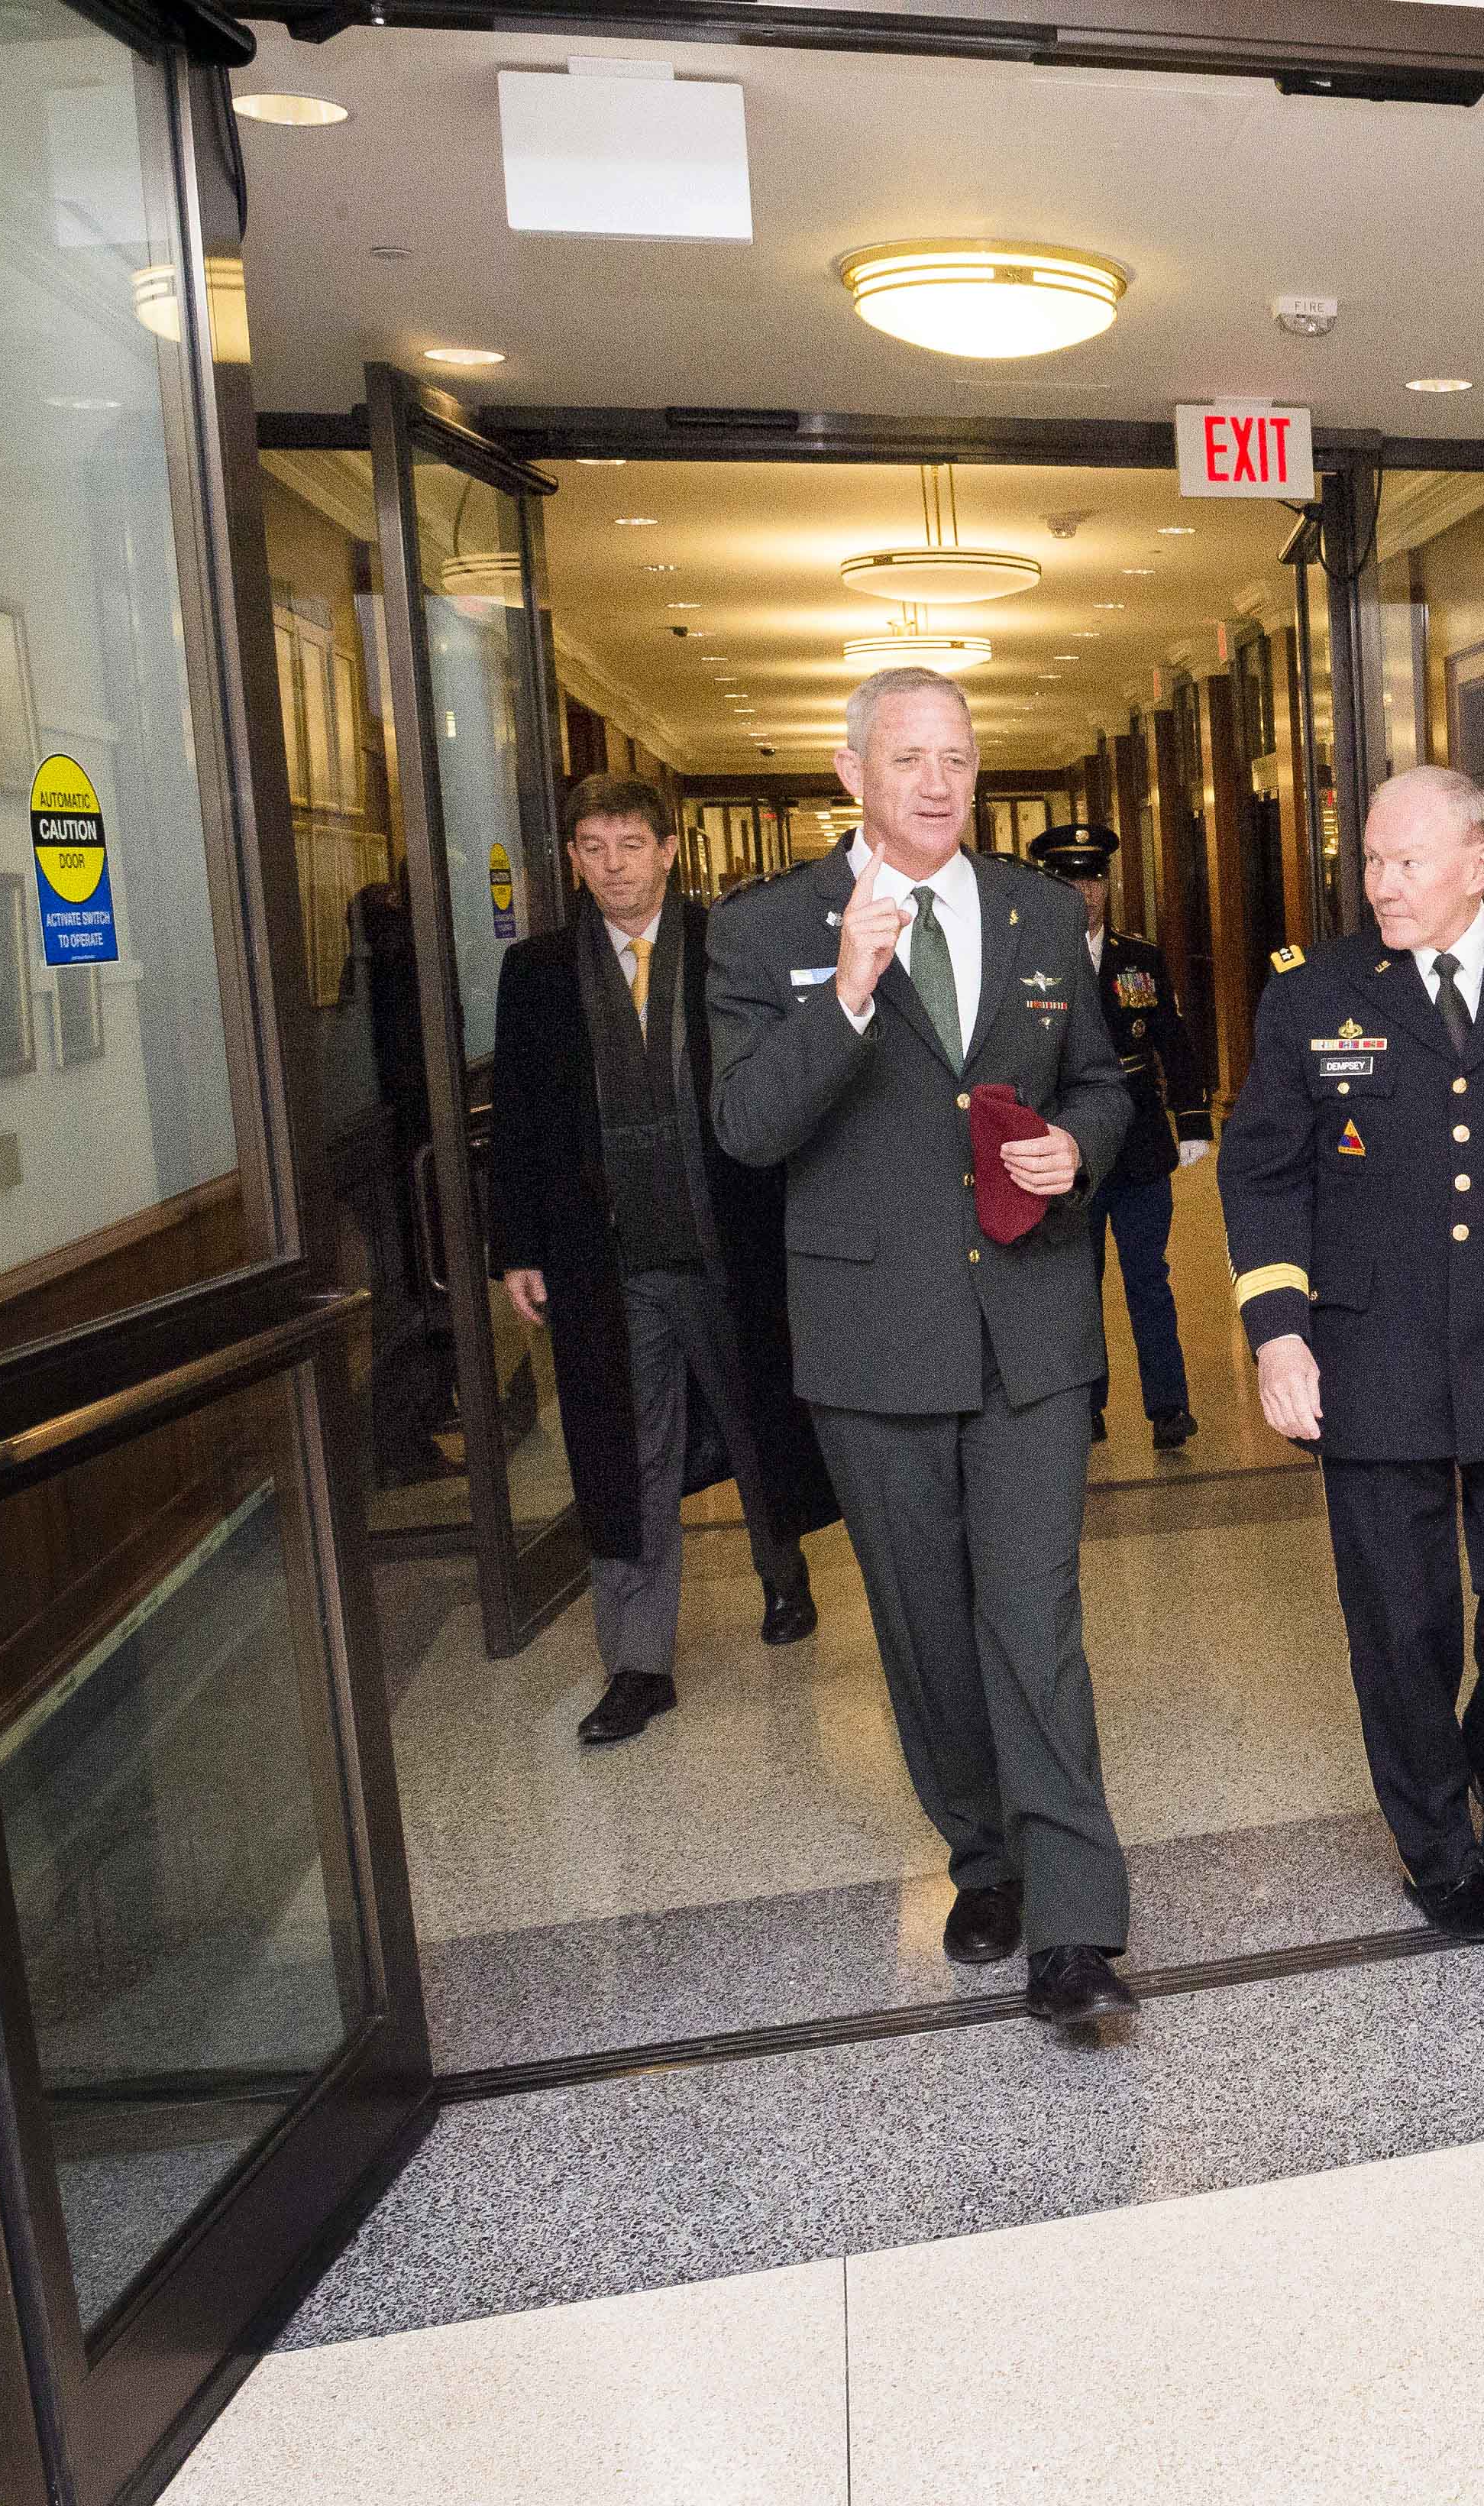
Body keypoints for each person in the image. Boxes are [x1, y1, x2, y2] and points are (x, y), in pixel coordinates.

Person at [706, 668, 1138, 2030]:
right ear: (853, 774)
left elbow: (1108, 1082)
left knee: (1034, 1621)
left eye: (957, 756)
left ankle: (1075, 1924)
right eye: (909, 759)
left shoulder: (1038, 910)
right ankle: (984, 1856)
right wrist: (842, 993)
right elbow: (747, 1130)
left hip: (1032, 1327)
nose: (939, 783)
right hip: (874, 1344)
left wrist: (1085, 1148)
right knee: (926, 1634)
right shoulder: (762, 929)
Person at [1217, 764, 1484, 1944]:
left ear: (1478, 862)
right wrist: (1278, 1333)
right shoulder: (1313, 993)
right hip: (1371, 1352)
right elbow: (1261, 1171)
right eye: (1371, 862)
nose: (1381, 884)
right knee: (1404, 1628)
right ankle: (1439, 1849)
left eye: (1406, 863)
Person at [493, 775, 834, 1746]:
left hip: (731, 1241)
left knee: (756, 1416)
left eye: (631, 845)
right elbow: (518, 1123)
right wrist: (516, 1246)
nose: (614, 867)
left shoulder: (726, 948)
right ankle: (638, 1661)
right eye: (593, 848)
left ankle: (783, 1571)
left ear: (670, 849)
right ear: (572, 859)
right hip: (610, 1264)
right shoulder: (541, 975)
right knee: (624, 1454)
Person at [1022, 822, 1211, 1451]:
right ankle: (1089, 1405)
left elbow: (1172, 1042)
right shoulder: (1030, 959)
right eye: (1071, 879)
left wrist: (1191, 1121)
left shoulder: (1140, 958)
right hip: (1067, 1142)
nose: (1086, 891)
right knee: (1079, 1282)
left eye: (1095, 877)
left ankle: (1169, 1407)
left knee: (1147, 1278)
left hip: (1137, 1140)